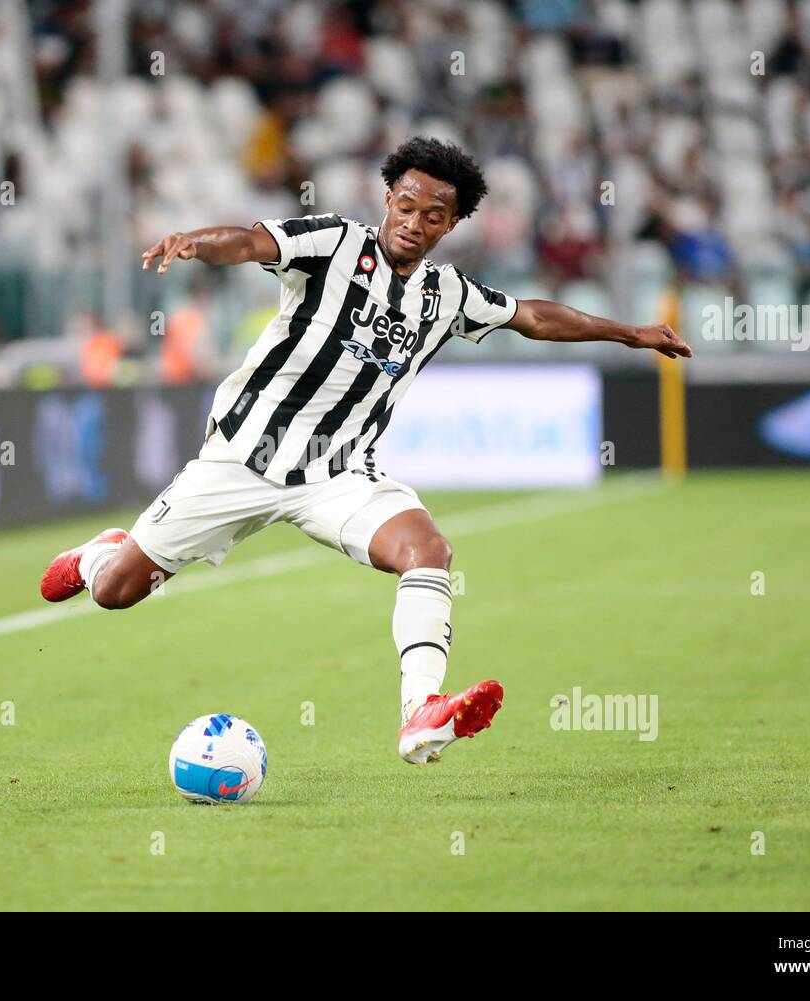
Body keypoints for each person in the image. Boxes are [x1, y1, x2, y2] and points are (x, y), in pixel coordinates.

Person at [40, 137, 691, 765]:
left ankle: (421, 709)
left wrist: (628, 331)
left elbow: (535, 316)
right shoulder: (333, 244)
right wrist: (195, 243)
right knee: (118, 593)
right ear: (388, 198)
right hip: (243, 457)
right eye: (406, 205)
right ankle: (101, 556)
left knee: (427, 551)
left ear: (452, 223)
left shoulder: (447, 295)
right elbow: (248, 241)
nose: (414, 222)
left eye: (433, 215)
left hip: (339, 472)